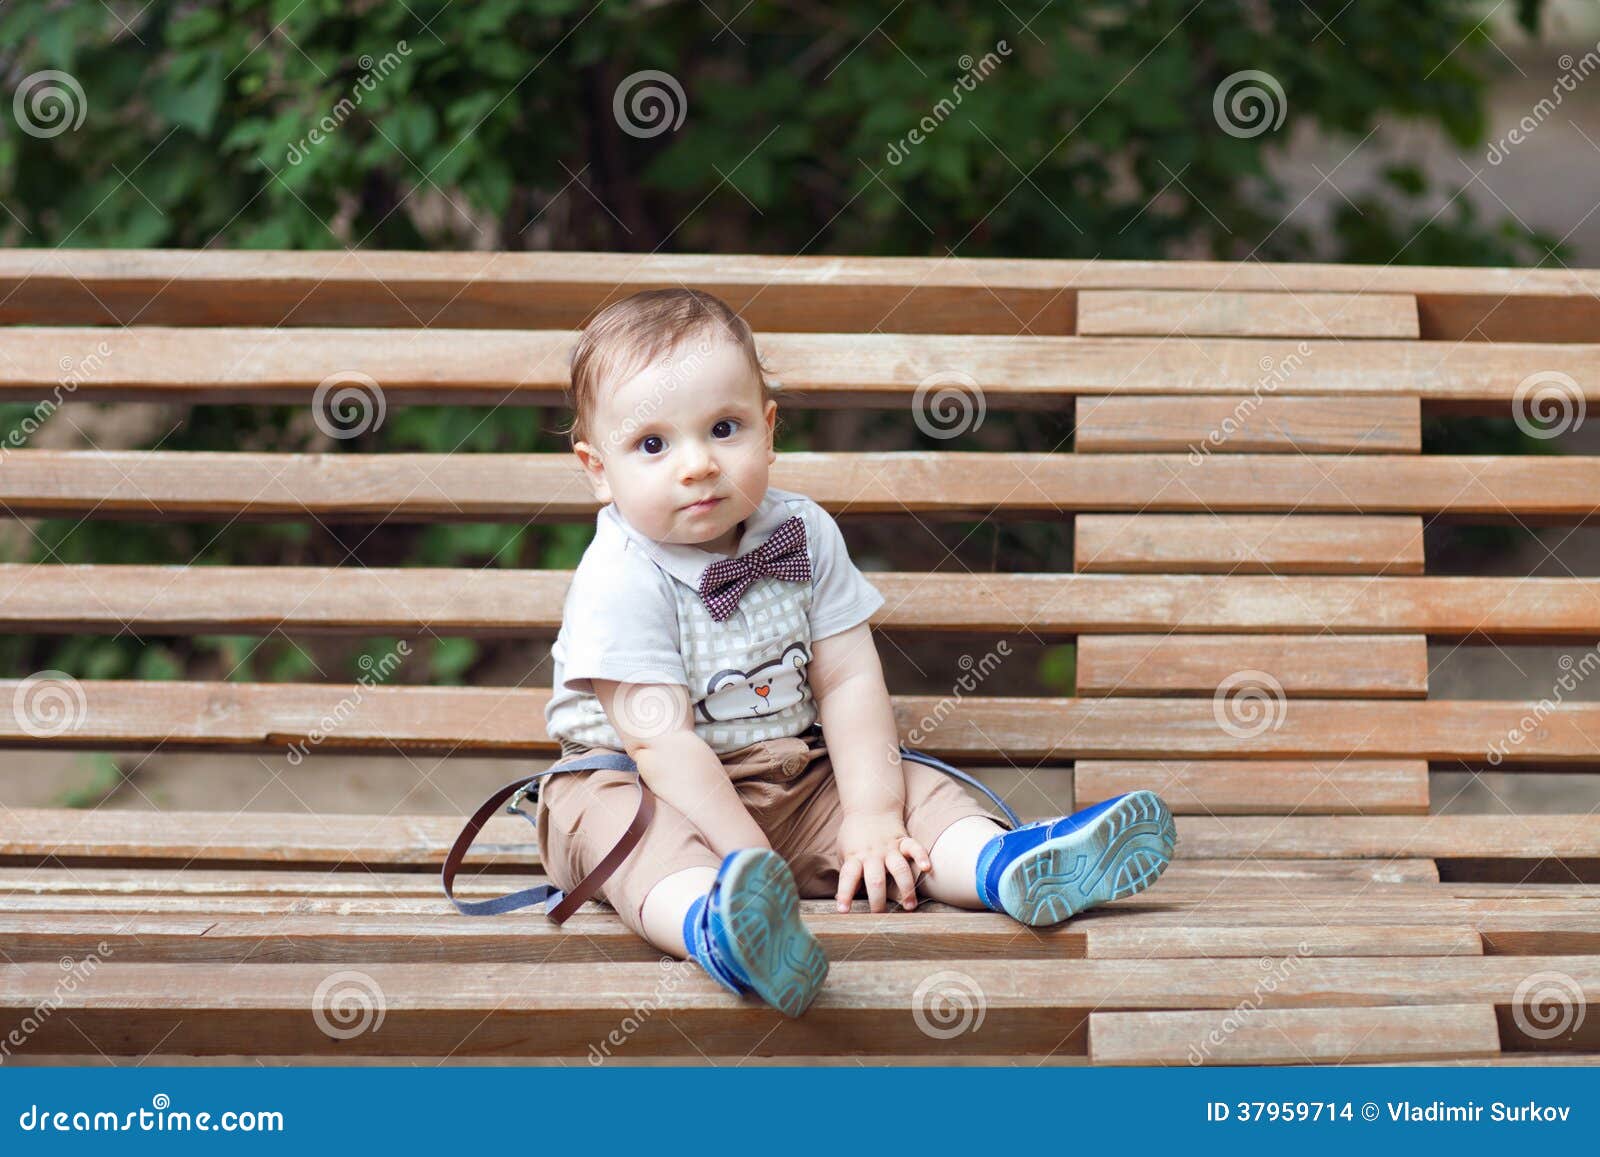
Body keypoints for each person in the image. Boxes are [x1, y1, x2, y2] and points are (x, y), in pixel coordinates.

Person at [539, 288, 1176, 1017]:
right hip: (639, 782)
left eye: (723, 428)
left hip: (793, 774)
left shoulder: (802, 532)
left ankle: (1002, 865)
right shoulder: (620, 575)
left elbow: (845, 680)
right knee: (636, 843)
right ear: (597, 468)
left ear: (767, 431)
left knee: (911, 793)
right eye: (653, 445)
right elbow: (662, 743)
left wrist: (873, 814)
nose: (698, 464)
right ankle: (719, 925)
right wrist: (749, 856)